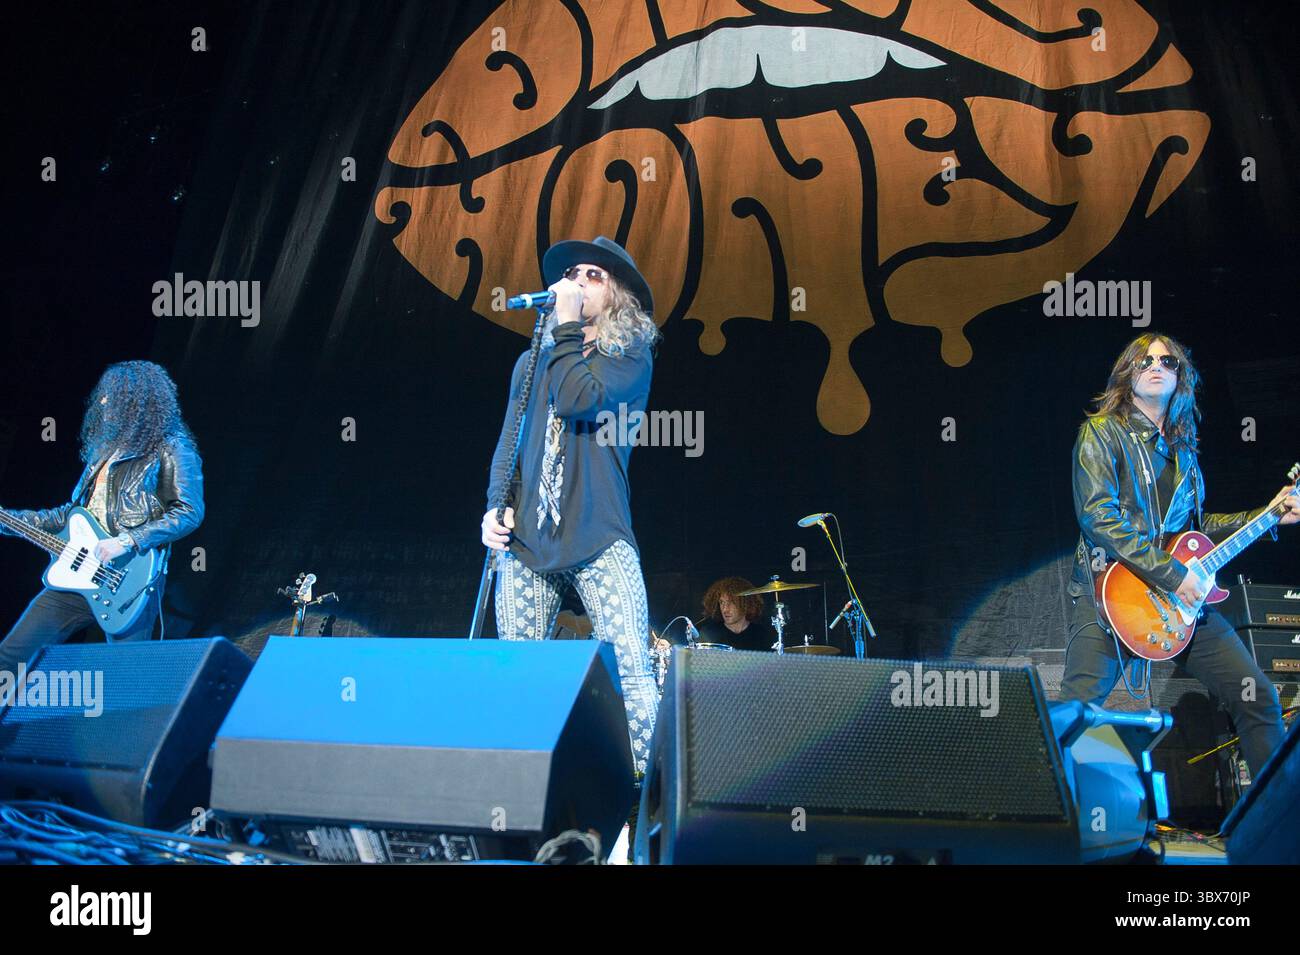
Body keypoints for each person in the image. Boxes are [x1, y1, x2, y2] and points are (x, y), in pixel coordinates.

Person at [1063, 334, 1297, 776]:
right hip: (1114, 596)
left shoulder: (1183, 450)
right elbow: (1098, 518)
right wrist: (1173, 575)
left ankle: (1274, 825)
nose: (1155, 365)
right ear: (1128, 373)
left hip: (1177, 604)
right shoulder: (1102, 432)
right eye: (1144, 360)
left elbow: (1194, 528)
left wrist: (1268, 516)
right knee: (1075, 714)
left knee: (1259, 697)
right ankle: (1040, 825)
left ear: (1179, 377)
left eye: (1167, 360)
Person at [481, 236, 661, 778]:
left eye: (594, 275)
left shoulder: (629, 354)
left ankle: (647, 808)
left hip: (598, 531)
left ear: (617, 296)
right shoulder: (530, 362)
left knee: (631, 672)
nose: (578, 281)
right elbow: (511, 437)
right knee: (520, 675)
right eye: (573, 273)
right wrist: (494, 507)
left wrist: (561, 327)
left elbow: (578, 399)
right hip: (529, 538)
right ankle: (524, 800)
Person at [0, 361, 204, 680]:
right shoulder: (104, 452)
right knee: (9, 657)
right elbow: (70, 515)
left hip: (127, 578)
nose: (104, 403)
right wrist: (7, 520)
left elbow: (189, 511)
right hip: (76, 573)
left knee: (124, 681)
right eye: (104, 396)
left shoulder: (172, 448)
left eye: (113, 396)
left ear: (138, 401)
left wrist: (127, 540)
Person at [696, 576, 773, 651]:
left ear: (745, 604)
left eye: (731, 602)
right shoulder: (708, 633)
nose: (725, 609)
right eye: (722, 602)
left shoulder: (761, 635)